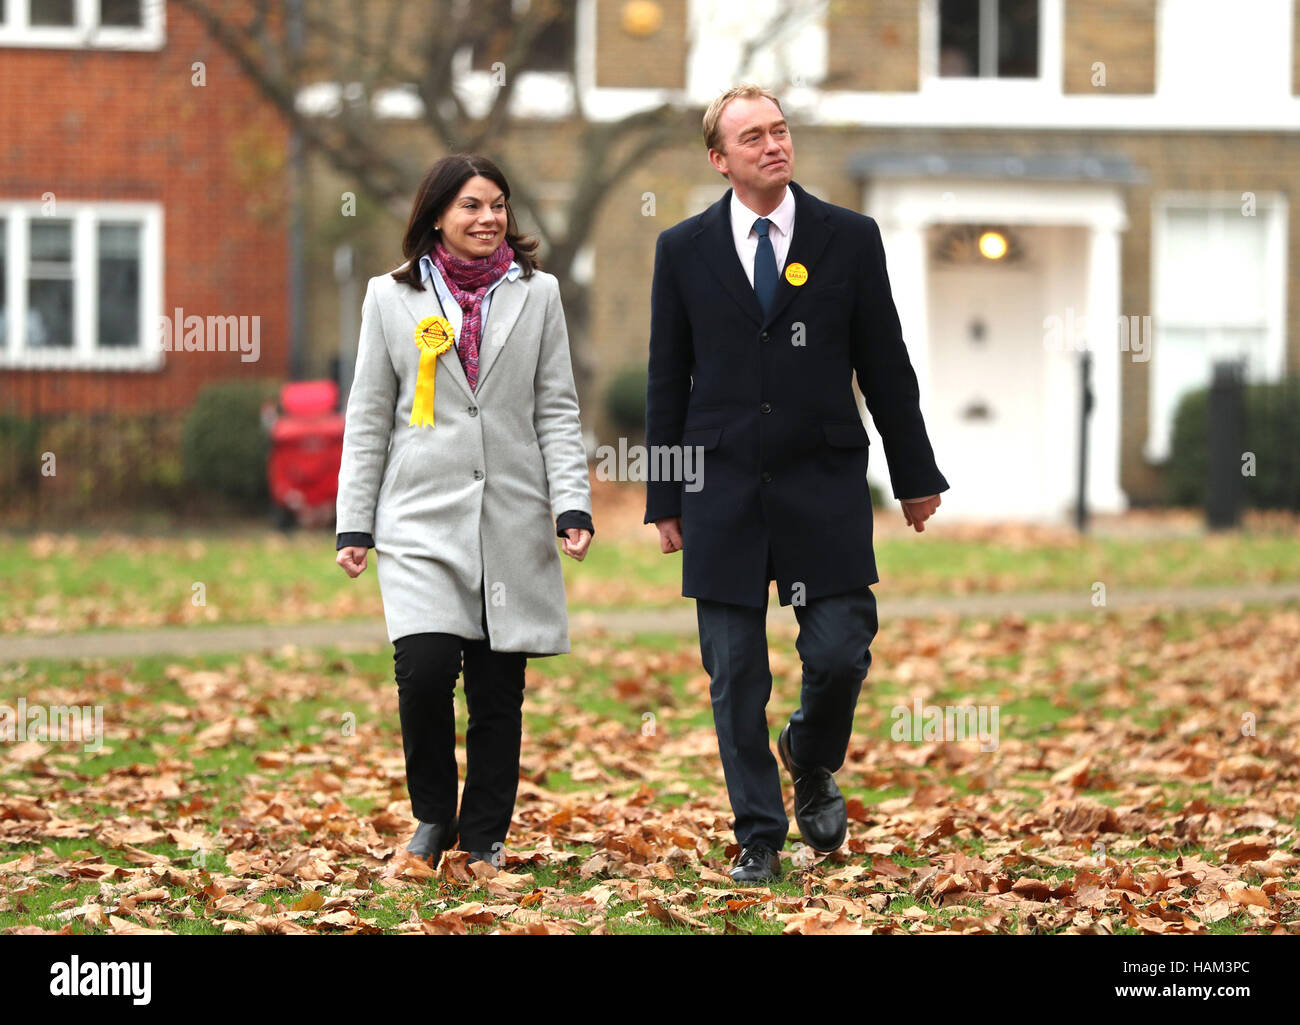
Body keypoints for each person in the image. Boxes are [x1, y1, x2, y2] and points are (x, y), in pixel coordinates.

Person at [644, 85, 948, 883]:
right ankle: (759, 836)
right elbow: (665, 379)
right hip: (722, 491)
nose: (774, 144)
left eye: (780, 130)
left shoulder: (848, 237)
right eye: (753, 137)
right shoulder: (683, 249)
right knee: (736, 675)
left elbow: (885, 363)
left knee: (842, 652)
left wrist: (914, 473)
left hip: (824, 484)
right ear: (720, 159)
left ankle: (810, 754)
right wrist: (664, 496)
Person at [335, 153, 593, 869]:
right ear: (438, 215)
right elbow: (369, 416)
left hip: (511, 515)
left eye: (499, 205)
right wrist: (354, 522)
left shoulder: (537, 294)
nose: (489, 219)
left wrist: (571, 501)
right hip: (419, 517)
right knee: (422, 672)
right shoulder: (391, 298)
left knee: (496, 689)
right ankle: (431, 814)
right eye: (473, 206)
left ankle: (484, 833)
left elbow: (557, 407)